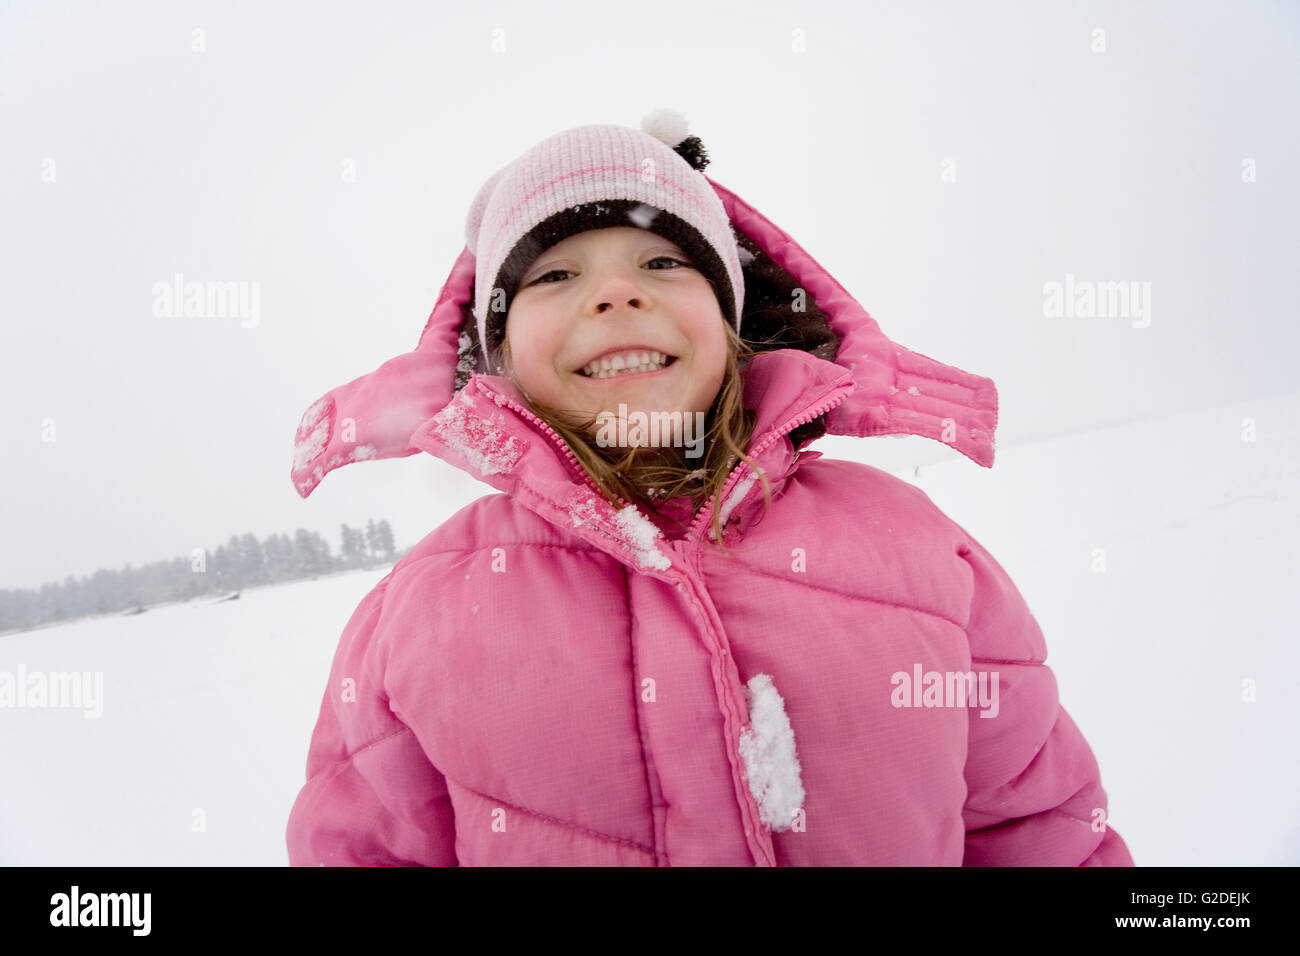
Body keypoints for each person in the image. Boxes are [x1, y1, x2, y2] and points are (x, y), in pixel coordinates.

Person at [284, 109, 1134, 866]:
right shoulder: (416, 615)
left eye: (660, 259)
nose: (616, 294)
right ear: (497, 352)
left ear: (731, 325)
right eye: (553, 275)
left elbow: (1043, 829)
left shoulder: (915, 548)